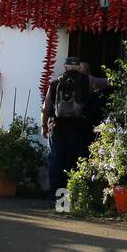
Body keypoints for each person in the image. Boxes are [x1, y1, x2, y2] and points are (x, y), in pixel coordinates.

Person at [42, 57, 95, 198]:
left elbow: (46, 108)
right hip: (77, 127)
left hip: (56, 126)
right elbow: (109, 82)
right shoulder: (88, 80)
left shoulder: (55, 82)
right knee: (73, 160)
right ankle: (72, 197)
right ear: (78, 67)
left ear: (65, 67)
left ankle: (57, 198)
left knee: (56, 159)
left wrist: (44, 127)